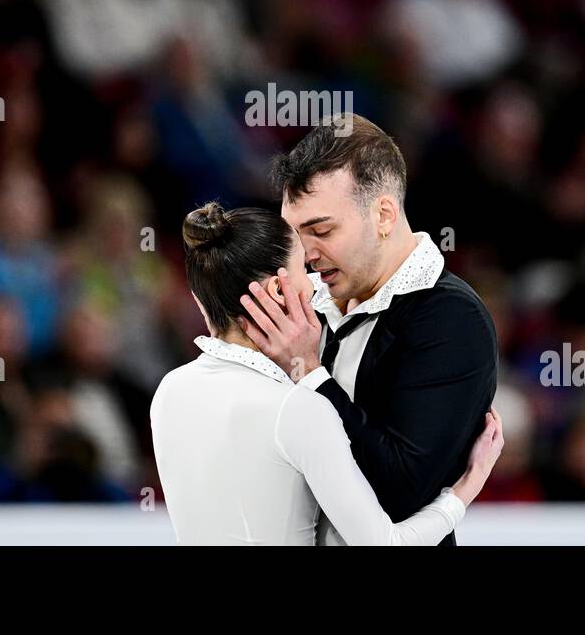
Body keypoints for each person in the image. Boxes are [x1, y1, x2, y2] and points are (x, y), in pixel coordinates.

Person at [151, 202, 503, 545]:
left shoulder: (168, 391)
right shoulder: (300, 408)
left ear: (200, 300)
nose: (318, 288)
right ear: (279, 290)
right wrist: (464, 490)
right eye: (306, 274)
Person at [239, 114, 500, 545]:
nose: (305, 255)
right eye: (295, 235)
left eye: (321, 230)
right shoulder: (309, 307)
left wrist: (308, 371)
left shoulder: (451, 320)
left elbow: (398, 492)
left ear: (383, 214)